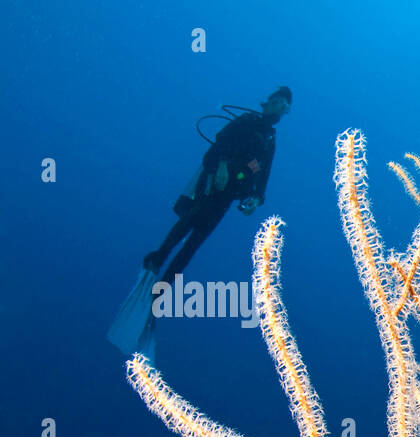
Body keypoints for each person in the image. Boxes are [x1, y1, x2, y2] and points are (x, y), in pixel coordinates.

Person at [109, 86, 292, 359]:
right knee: (188, 222)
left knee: (194, 244)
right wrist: (221, 167)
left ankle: (161, 290)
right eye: (277, 102)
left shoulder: (270, 139)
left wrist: (256, 199)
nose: (279, 109)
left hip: (227, 197)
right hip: (212, 185)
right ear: (267, 103)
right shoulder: (246, 121)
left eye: (285, 107)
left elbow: (263, 175)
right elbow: (218, 145)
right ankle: (157, 259)